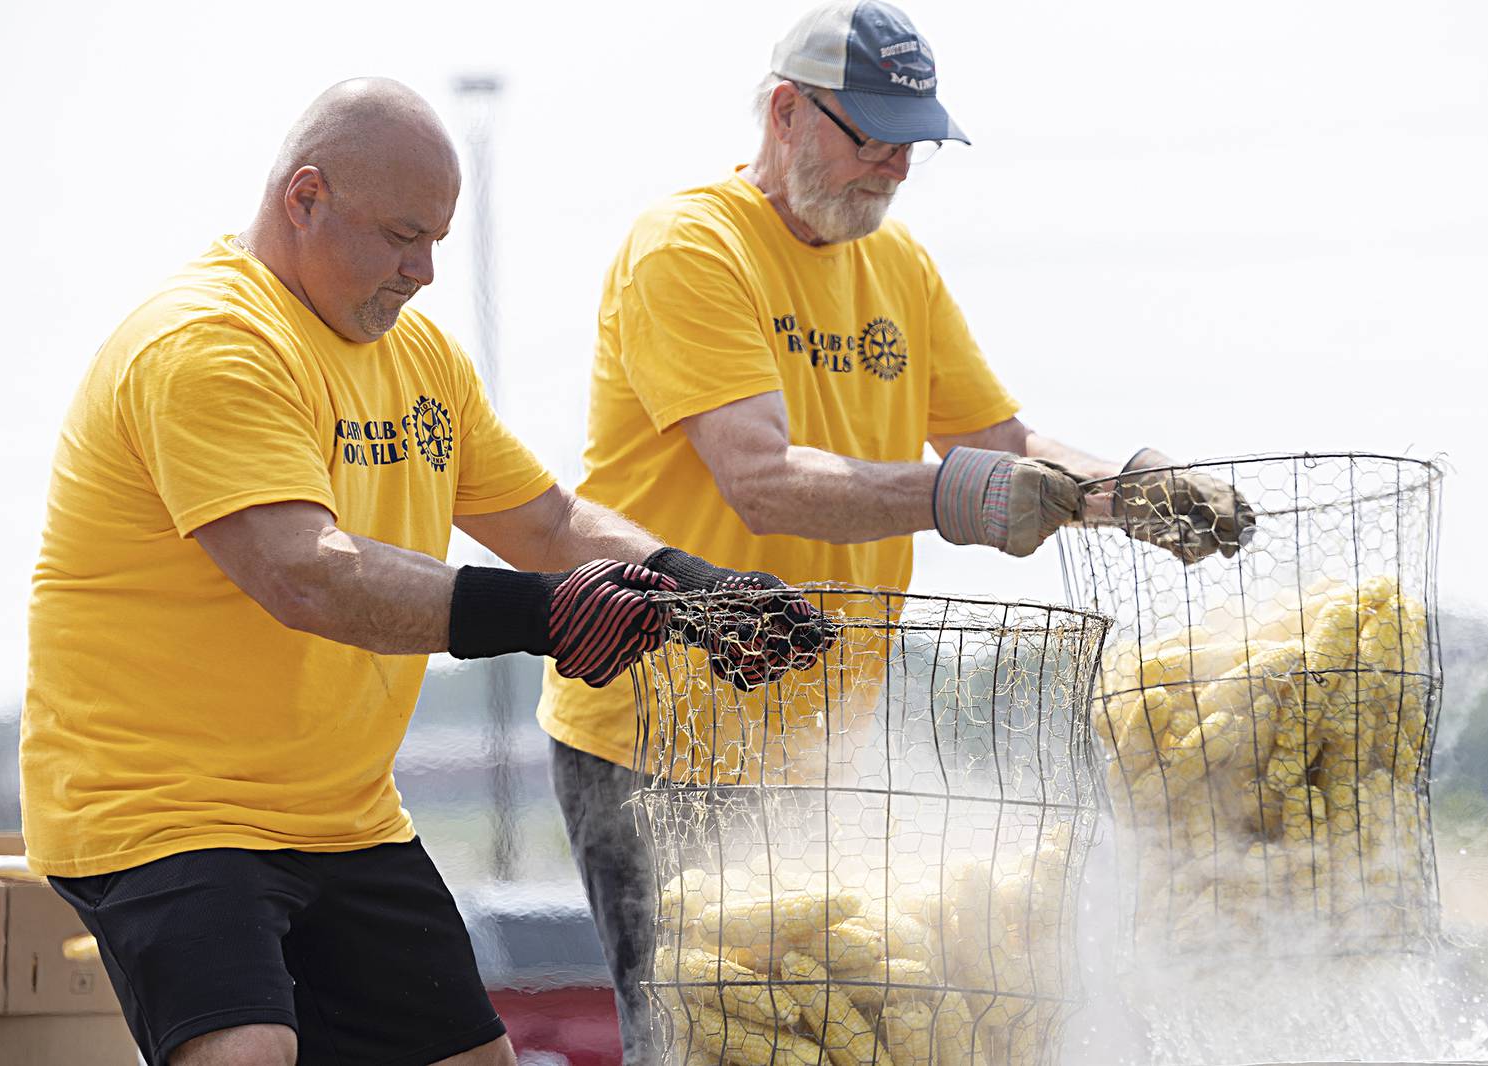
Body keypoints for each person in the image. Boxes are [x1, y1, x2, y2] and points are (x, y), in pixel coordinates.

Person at [20, 78, 822, 1066]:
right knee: (248, 1051)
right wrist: (545, 616)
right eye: (403, 236)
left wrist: (695, 586)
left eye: (438, 238)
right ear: (304, 197)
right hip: (162, 804)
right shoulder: (209, 346)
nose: (427, 271)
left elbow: (544, 518)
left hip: (339, 810)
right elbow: (303, 574)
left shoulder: (419, 359)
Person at [532, 2, 1256, 1060]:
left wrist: (1128, 489)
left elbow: (999, 438)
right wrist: (955, 496)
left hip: (820, 736)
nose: (897, 166)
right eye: (869, 134)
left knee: (841, 1034)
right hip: (661, 728)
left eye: (912, 141)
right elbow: (761, 480)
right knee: (705, 1038)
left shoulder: (896, 268)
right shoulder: (688, 248)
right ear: (786, 111)